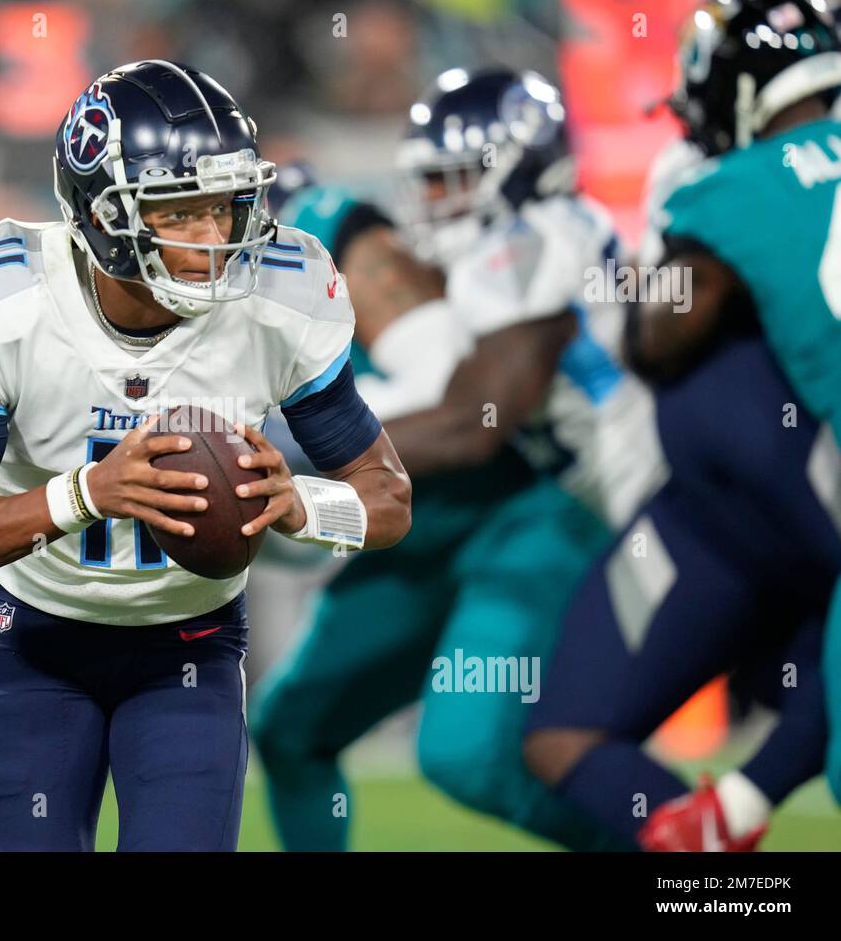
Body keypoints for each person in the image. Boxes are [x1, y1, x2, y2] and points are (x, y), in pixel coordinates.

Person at [0, 60, 412, 851]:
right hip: (35, 641)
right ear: (104, 215)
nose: (219, 238)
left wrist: (303, 506)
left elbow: (387, 498)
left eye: (228, 206)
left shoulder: (279, 297)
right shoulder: (5, 302)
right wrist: (85, 495)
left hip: (191, 645)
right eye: (184, 213)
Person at [254, 68, 662, 851]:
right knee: (296, 729)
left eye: (453, 181)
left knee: (476, 752)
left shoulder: (343, 243)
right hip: (497, 497)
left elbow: (465, 412)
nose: (433, 204)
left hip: (548, 507)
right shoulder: (498, 246)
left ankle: (700, 868)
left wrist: (298, 462)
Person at [524, 0, 841, 847]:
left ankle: (728, 831)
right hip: (709, 523)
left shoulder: (726, 187)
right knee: (565, 734)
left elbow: (652, 335)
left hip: (809, 529)